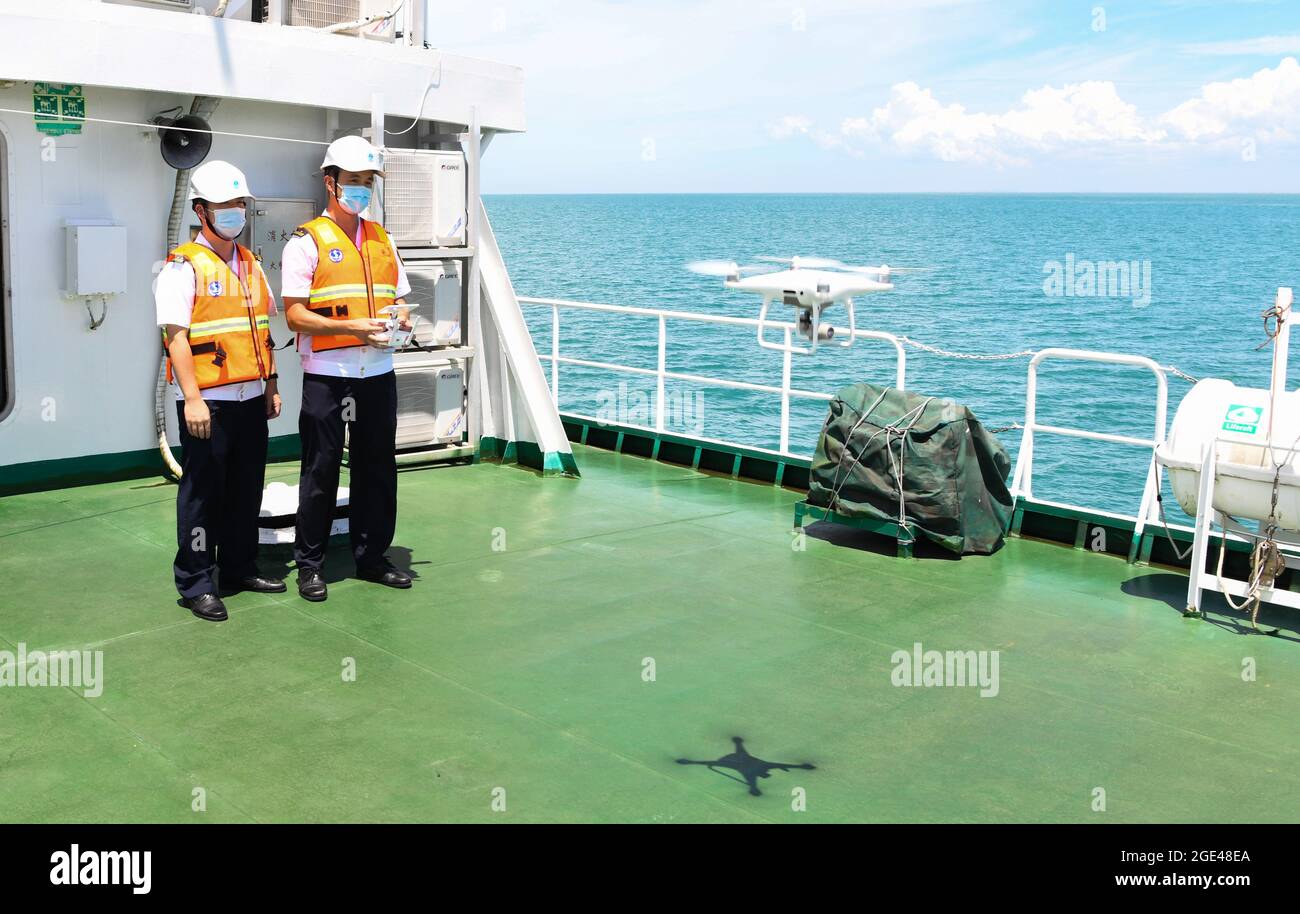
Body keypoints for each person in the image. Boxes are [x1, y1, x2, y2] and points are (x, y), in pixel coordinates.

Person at [281, 135, 414, 602]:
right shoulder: (306, 241)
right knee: (320, 470)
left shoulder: (382, 238)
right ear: (330, 181)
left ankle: (372, 557)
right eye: (352, 181)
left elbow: (398, 298)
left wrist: (401, 316)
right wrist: (355, 329)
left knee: (377, 467)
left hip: (378, 372)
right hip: (329, 372)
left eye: (366, 182)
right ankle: (310, 566)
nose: (360, 190)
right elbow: (295, 314)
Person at [156, 160, 284, 622]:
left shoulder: (250, 263)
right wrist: (192, 399)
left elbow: (263, 330)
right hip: (208, 402)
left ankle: (238, 568)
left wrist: (271, 383)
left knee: (246, 491)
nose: (234, 212)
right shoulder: (181, 267)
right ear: (200, 210)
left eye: (238, 204)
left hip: (251, 399)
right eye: (224, 205)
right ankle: (195, 582)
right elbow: (175, 337)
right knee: (202, 495)